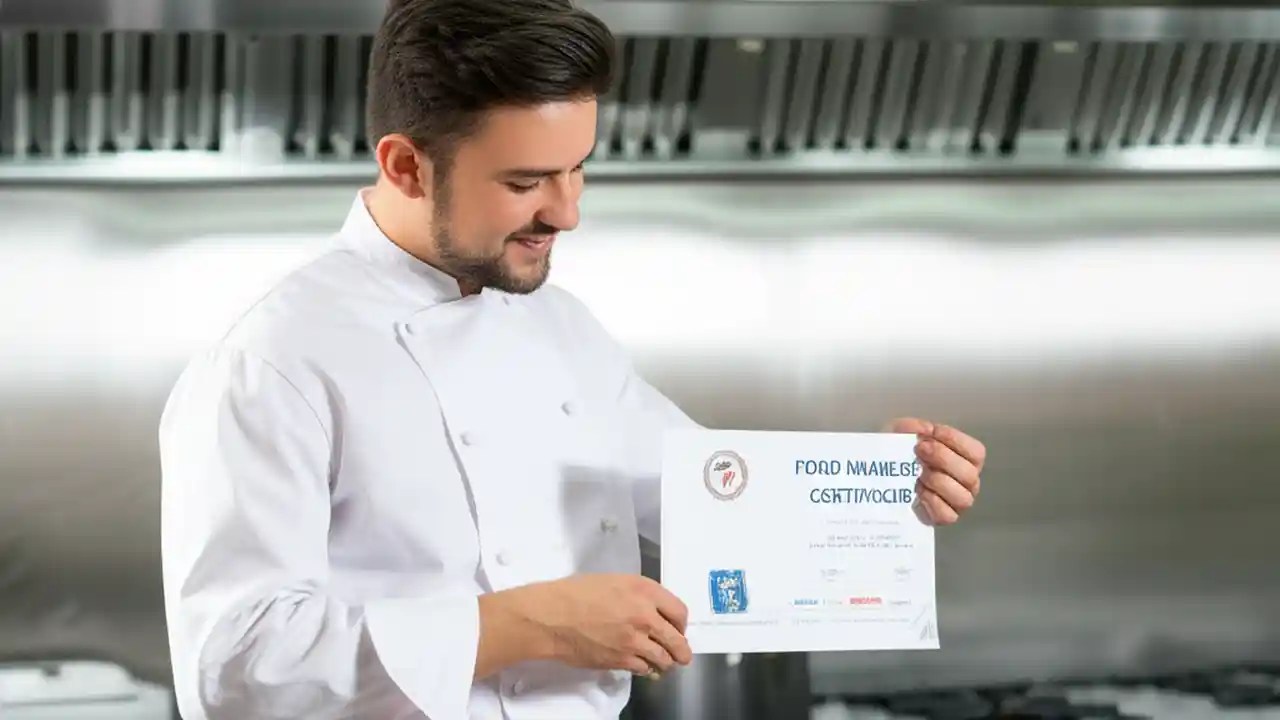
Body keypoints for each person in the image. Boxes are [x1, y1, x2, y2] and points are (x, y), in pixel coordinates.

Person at [156, 0, 987, 718]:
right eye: (525, 182)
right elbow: (232, 669)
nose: (567, 213)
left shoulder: (561, 329)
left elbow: (712, 503)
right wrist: (526, 625)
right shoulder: (275, 364)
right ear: (406, 166)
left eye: (578, 169)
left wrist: (878, 491)